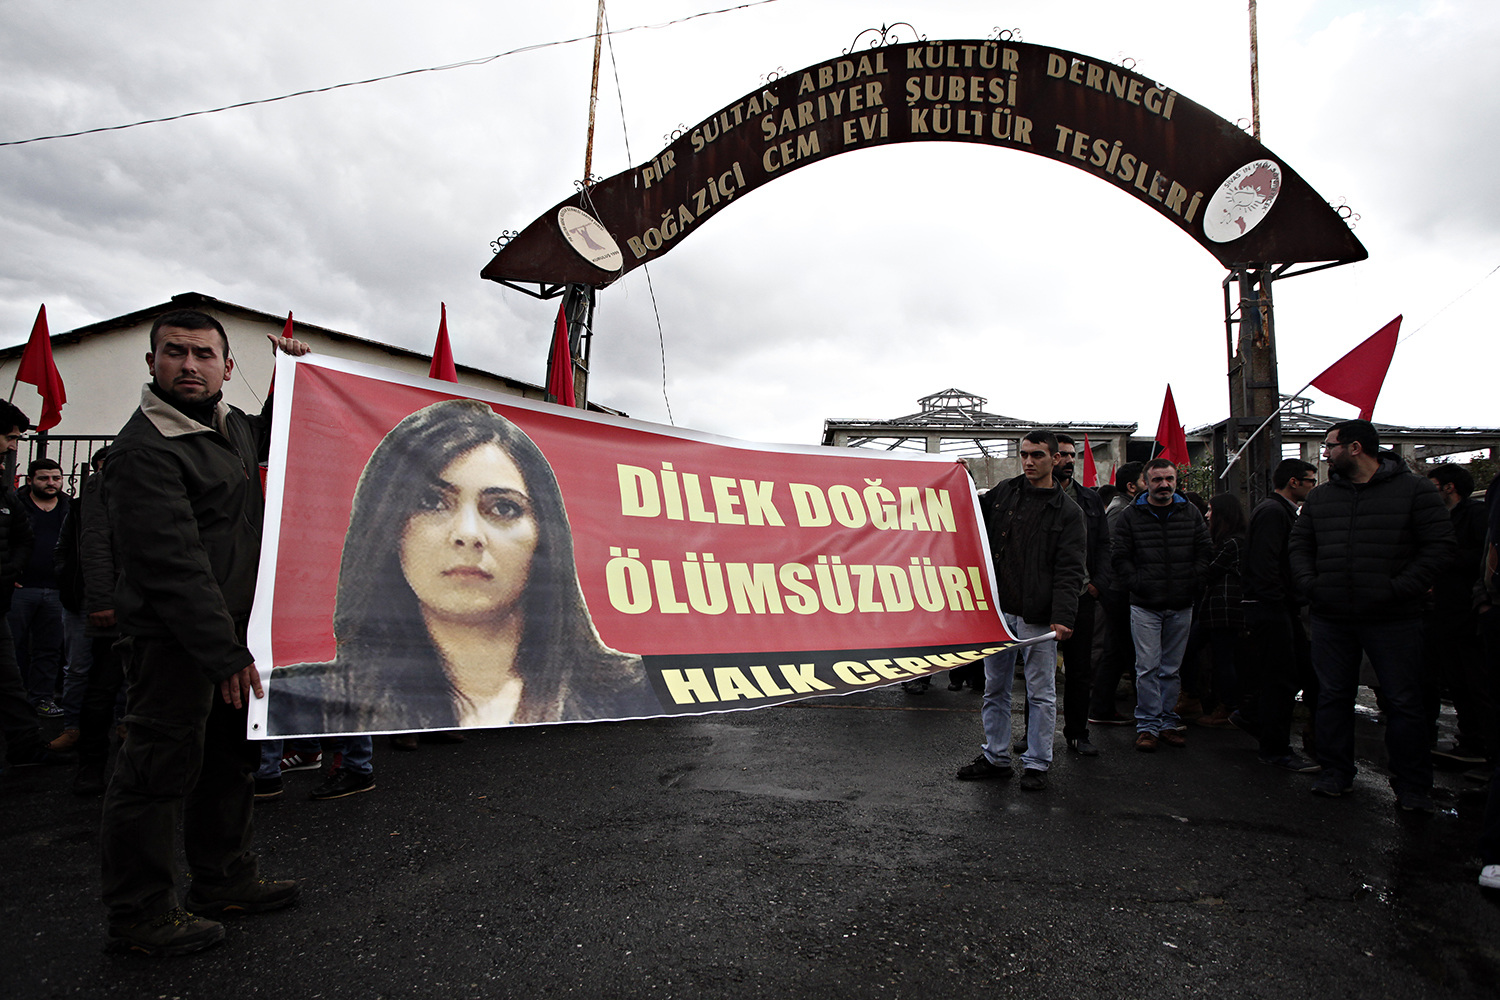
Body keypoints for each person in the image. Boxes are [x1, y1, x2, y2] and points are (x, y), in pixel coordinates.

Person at [99, 309, 309, 957]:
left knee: (229, 762)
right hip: (175, 647)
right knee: (157, 773)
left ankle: (224, 880)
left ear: (227, 366)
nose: (188, 364)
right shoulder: (143, 451)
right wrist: (222, 652)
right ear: (152, 363)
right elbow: (172, 566)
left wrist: (293, 373)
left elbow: (276, 430)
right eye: (174, 353)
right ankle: (140, 915)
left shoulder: (231, 428)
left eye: (202, 354)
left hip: (233, 642)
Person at [268, 398, 655, 736]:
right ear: (388, 526)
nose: (468, 534)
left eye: (503, 508)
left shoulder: (638, 689)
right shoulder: (303, 699)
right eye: (431, 502)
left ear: (546, 535)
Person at [1288, 420, 1455, 812]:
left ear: (1356, 448)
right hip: (1333, 615)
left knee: (1402, 701)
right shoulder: (1322, 499)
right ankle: (1336, 773)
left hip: (1394, 618)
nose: (1325, 454)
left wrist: (1397, 589)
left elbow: (1439, 547)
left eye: (1330, 447)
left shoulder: (1414, 492)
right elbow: (1299, 545)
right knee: (1332, 696)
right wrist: (1312, 584)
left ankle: (1412, 787)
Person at [956, 431, 1086, 791]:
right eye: (1024, 455)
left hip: (1038, 616)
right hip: (997, 612)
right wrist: (961, 479)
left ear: (1055, 459)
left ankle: (1037, 763)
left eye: (1037, 456)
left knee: (1040, 691)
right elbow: (969, 514)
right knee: (994, 688)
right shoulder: (1004, 492)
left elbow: (1070, 568)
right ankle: (996, 756)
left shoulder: (1068, 512)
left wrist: (1063, 615)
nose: (1029, 462)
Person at [1111, 458, 1210, 751]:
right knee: (1147, 667)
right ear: (1147, 482)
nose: (1164, 485)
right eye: (1157, 480)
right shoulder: (1132, 515)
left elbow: (1204, 550)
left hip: (1181, 603)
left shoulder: (1189, 512)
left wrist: (1193, 580)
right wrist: (1138, 583)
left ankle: (1167, 721)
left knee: (1170, 668)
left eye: (1169, 479)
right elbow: (1120, 556)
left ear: (1176, 481)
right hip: (1145, 604)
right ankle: (1148, 725)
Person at [1239, 458, 1321, 773]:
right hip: (1272, 607)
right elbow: (1266, 563)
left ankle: (1252, 716)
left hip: (1277, 604)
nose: (1313, 486)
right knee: (1281, 678)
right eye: (1310, 480)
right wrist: (1276, 599)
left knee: (1290, 672)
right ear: (1293, 482)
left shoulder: (1278, 511)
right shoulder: (1274, 513)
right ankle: (1275, 748)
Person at [0, 401, 60, 771]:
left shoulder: (5, 496)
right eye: (8, 437)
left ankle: (25, 748)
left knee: (9, 681)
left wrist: (8, 571)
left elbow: (23, 538)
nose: (12, 446)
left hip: (5, 599)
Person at [1423, 463, 1490, 770]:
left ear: (1448, 487)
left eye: (1434, 484)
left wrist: (1444, 557)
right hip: (1447, 610)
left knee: (1475, 680)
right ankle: (1471, 738)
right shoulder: (1443, 518)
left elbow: (1483, 557)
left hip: (1468, 612)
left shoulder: (1475, 515)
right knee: (1457, 679)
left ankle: (1482, 744)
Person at [1053, 433, 1108, 756]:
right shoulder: (1030, 495)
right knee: (1039, 671)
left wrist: (1098, 584)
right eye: (1062, 455)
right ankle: (1033, 735)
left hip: (1082, 596)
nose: (1070, 461)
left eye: (1073, 455)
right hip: (1043, 599)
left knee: (1079, 670)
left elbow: (1103, 544)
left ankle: (1077, 732)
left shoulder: (1088, 499)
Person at [9, 458, 69, 717]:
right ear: (30, 480)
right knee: (12, 647)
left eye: (56, 478)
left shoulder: (70, 509)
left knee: (49, 648)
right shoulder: (15, 506)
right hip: (20, 588)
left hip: (56, 590)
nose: (51, 483)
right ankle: (12, 700)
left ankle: (42, 699)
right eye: (44, 478)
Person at [1089, 462, 1145, 726]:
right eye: (1148, 480)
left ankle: (1102, 706)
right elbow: (1110, 551)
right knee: (1124, 651)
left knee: (1118, 650)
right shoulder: (1121, 511)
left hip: (1118, 590)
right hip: (1118, 592)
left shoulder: (1126, 508)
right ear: (1132, 486)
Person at [1193, 493, 1248, 727]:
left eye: (1211, 511)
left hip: (1224, 611)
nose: (1207, 516)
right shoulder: (1232, 541)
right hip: (1217, 610)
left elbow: (1209, 571)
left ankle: (1229, 707)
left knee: (1223, 659)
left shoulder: (1232, 543)